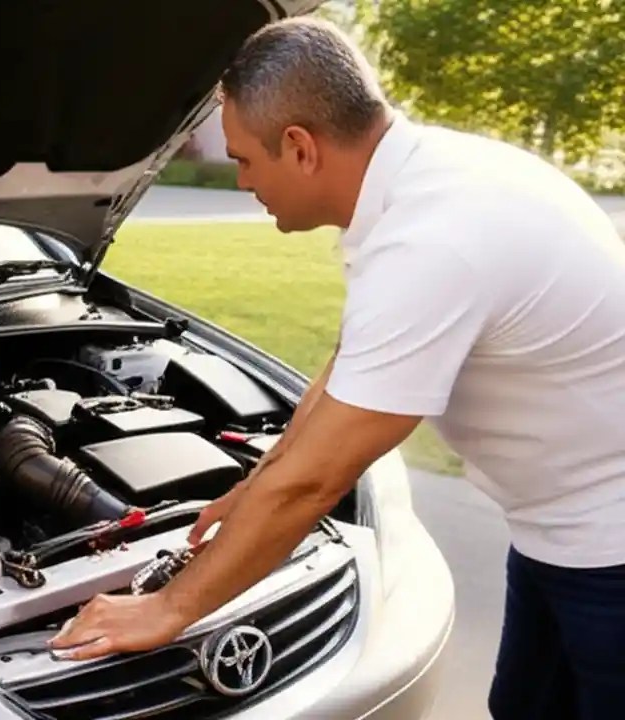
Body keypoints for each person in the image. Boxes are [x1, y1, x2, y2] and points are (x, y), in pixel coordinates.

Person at [48, 15, 625, 720]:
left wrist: (167, 609)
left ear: (299, 147)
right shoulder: (420, 183)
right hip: (559, 532)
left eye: (244, 159)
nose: (241, 181)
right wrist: (259, 479)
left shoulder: (434, 239)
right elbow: (352, 362)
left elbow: (319, 479)